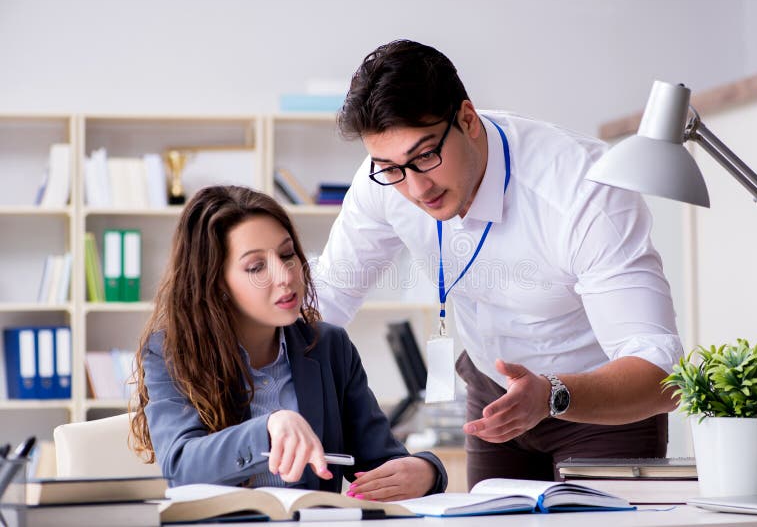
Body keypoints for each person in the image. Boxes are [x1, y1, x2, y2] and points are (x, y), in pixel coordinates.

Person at [314, 40, 683, 487]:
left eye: (426, 155)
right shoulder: (384, 178)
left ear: (467, 119)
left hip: (598, 407)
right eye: (390, 167)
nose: (414, 188)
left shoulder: (583, 191)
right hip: (492, 393)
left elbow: (661, 372)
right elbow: (328, 298)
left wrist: (551, 394)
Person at [130, 185, 447, 500]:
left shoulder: (329, 346)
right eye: (256, 267)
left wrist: (427, 470)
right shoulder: (172, 353)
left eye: (287, 254)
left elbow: (380, 460)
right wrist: (268, 429)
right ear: (215, 283)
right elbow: (181, 466)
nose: (285, 276)